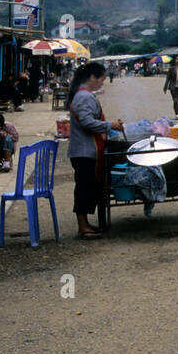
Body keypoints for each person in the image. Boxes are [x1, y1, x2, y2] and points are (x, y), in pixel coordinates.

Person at [68, 61, 124, 238]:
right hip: (84, 151)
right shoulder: (84, 97)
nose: (102, 83)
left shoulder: (83, 94)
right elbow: (87, 122)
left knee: (87, 187)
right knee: (84, 188)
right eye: (102, 79)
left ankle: (85, 225)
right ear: (93, 77)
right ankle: (82, 227)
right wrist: (111, 125)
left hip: (85, 150)